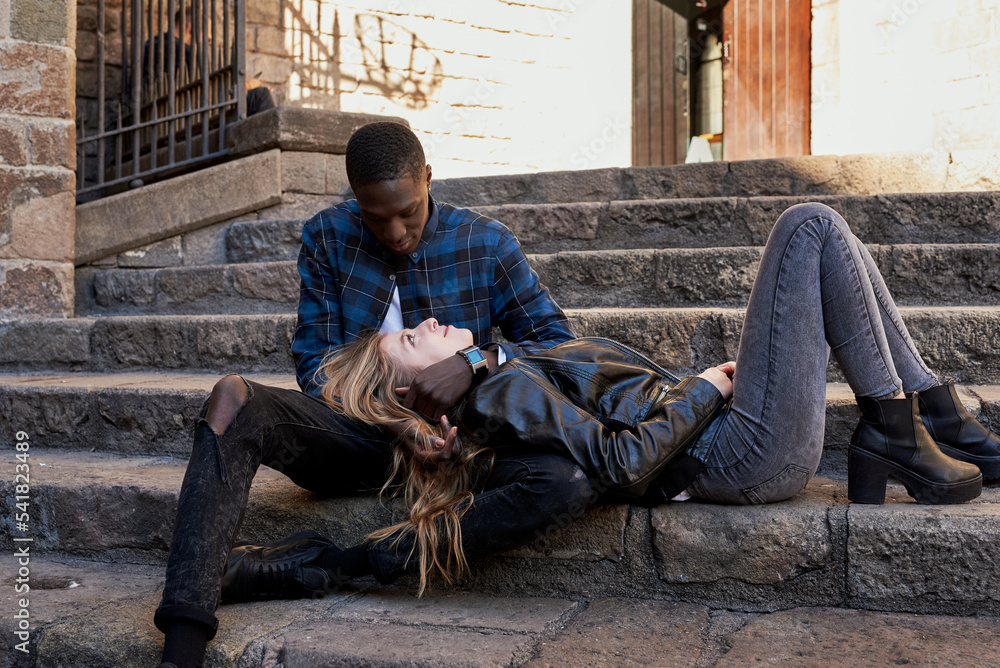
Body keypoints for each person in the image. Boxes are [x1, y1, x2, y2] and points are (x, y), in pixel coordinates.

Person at [303, 200, 1000, 593]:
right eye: (412, 341)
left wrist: (702, 390)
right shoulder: (498, 396)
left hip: (730, 434)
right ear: (416, 387)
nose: (422, 322)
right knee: (809, 225)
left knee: (829, 232)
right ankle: (901, 429)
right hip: (734, 455)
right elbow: (622, 460)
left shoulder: (503, 370)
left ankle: (925, 414)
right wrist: (699, 389)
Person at [152, 121, 584, 668]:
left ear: (427, 178)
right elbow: (316, 365)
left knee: (565, 482)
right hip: (358, 437)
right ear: (355, 199)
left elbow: (559, 345)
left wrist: (474, 361)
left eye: (409, 210)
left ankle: (332, 564)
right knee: (235, 398)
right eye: (377, 218)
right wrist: (396, 423)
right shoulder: (328, 236)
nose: (397, 230)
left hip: (462, 444)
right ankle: (182, 648)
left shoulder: (486, 243)